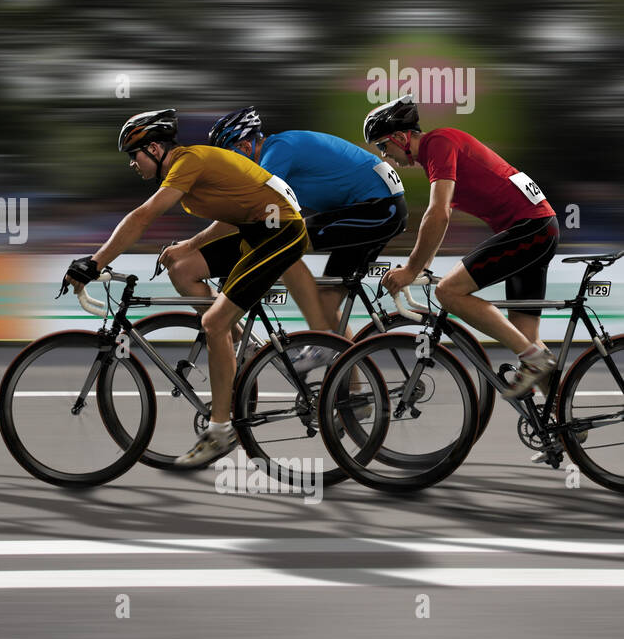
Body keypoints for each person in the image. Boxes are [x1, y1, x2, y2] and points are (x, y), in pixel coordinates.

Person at [64, 109, 311, 467]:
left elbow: (142, 217)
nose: (133, 165)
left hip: (281, 232)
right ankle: (237, 340)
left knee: (212, 323)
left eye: (134, 156)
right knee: (181, 268)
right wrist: (190, 246)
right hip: (258, 229)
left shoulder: (187, 161)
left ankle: (221, 430)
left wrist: (95, 262)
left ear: (153, 148)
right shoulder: (190, 168)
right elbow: (232, 211)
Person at [160, 107, 409, 359]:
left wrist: (190, 246)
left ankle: (320, 342)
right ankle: (345, 388)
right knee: (326, 303)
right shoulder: (281, 150)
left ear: (245, 147)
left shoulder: (277, 151)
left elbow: (253, 211)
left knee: (286, 245)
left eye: (231, 159)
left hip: (376, 209)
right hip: (379, 208)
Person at [367, 96, 559, 398]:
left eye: (383, 146)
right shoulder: (439, 148)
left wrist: (411, 269)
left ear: (402, 137)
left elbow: (438, 212)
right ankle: (562, 429)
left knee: (448, 292)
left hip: (530, 229)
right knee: (527, 338)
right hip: (538, 228)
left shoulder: (438, 144)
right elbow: (441, 220)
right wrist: (421, 267)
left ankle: (534, 362)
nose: (385, 155)